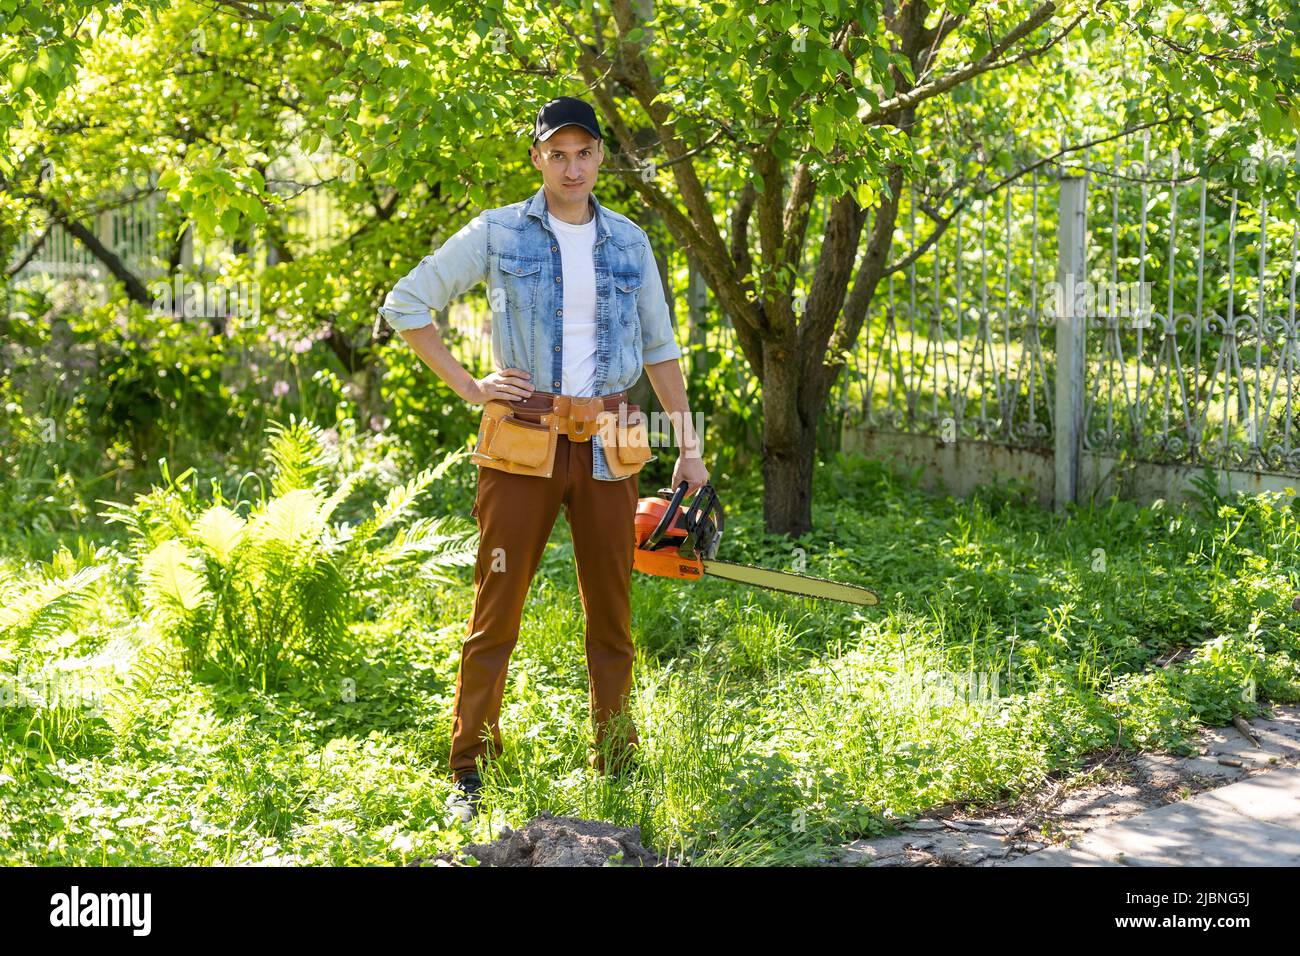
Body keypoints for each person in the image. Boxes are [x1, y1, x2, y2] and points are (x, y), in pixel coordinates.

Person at [377, 95, 709, 822]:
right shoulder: (498, 233)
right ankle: (470, 771)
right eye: (556, 153)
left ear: (600, 159)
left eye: (583, 152)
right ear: (536, 158)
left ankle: (617, 762)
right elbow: (405, 304)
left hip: (610, 451)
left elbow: (659, 348)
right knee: (496, 612)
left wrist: (690, 448)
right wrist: (468, 384)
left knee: (613, 620)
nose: (571, 166)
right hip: (521, 446)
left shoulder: (629, 244)